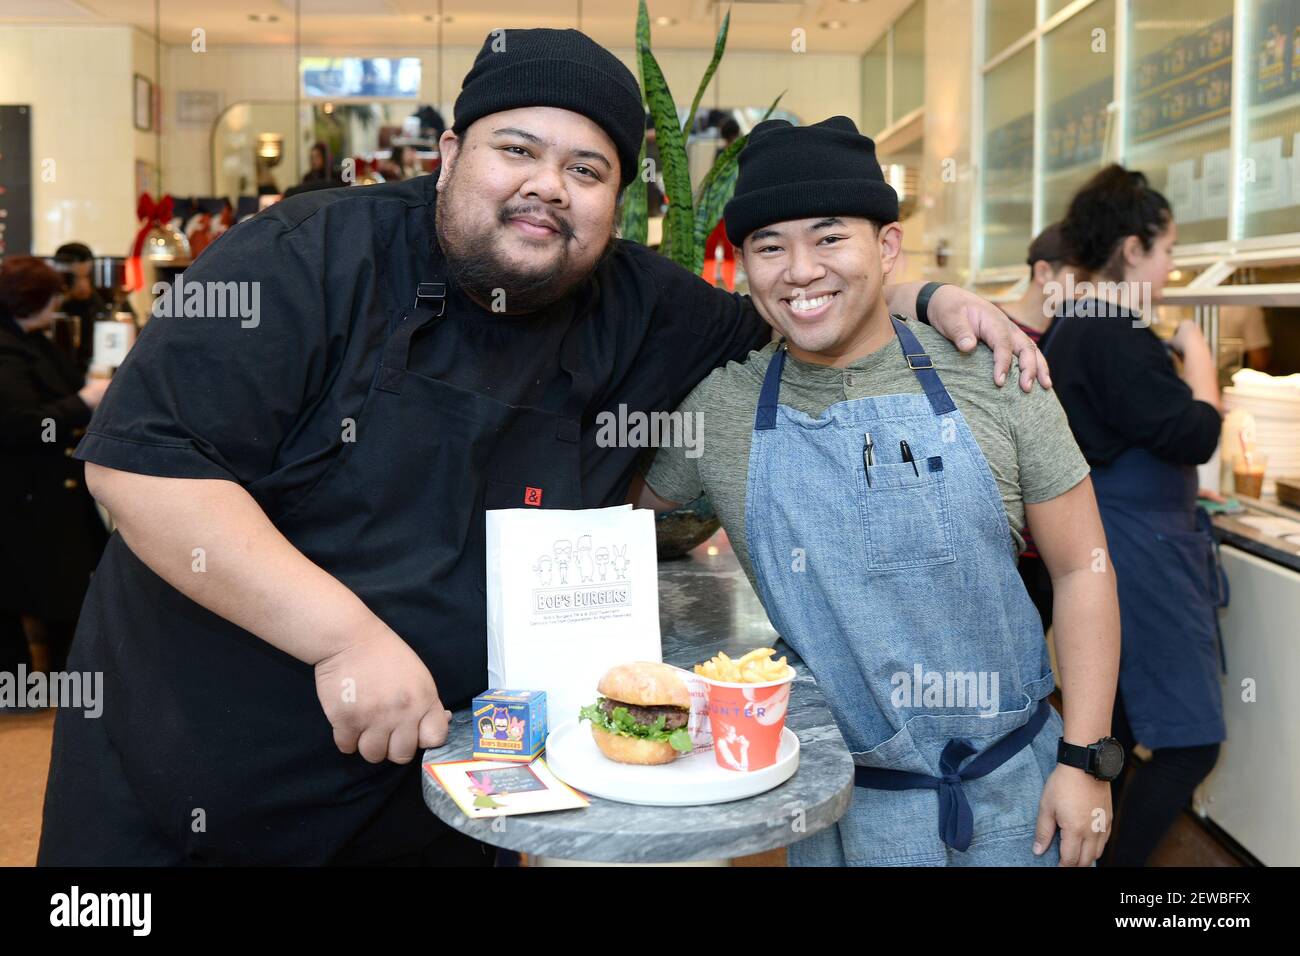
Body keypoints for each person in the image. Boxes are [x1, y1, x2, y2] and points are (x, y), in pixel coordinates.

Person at [37, 29, 1048, 866]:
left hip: (445, 777)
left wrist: (929, 293)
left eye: (585, 168)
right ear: (448, 155)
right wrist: (343, 637)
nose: (547, 188)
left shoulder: (641, 304)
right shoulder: (308, 256)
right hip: (195, 767)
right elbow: (142, 466)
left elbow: (803, 304)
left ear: (614, 203)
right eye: (516, 150)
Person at [634, 117, 1122, 867]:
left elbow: (1082, 570)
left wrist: (1086, 760)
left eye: (830, 237)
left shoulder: (993, 372)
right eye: (770, 246)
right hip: (840, 809)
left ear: (887, 247)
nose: (800, 270)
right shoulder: (722, 408)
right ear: (743, 265)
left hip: (1017, 796)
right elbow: (618, 525)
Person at [1043, 165, 1225, 867]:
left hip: (1111, 535)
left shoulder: (1077, 323)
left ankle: (1079, 855)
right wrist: (1199, 357)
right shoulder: (1115, 331)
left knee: (1107, 726)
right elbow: (1195, 434)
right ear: (1131, 249)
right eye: (1169, 249)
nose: (1172, 267)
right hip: (1137, 548)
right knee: (1188, 744)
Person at [0, 257, 109, 678]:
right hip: (27, 491)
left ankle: (55, 680)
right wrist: (81, 404)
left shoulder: (34, 342)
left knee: (59, 587)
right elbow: (20, 424)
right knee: (47, 589)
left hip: (48, 487)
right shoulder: (12, 353)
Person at [996, 223, 1073, 632]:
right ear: (1044, 272)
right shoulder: (993, 335)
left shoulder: (1076, 338)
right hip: (1011, 549)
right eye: (1081, 278)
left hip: (1058, 546)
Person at [52, 242, 110, 373]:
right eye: (75, 278)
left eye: (87, 276)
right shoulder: (51, 301)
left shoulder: (104, 294)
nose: (83, 285)